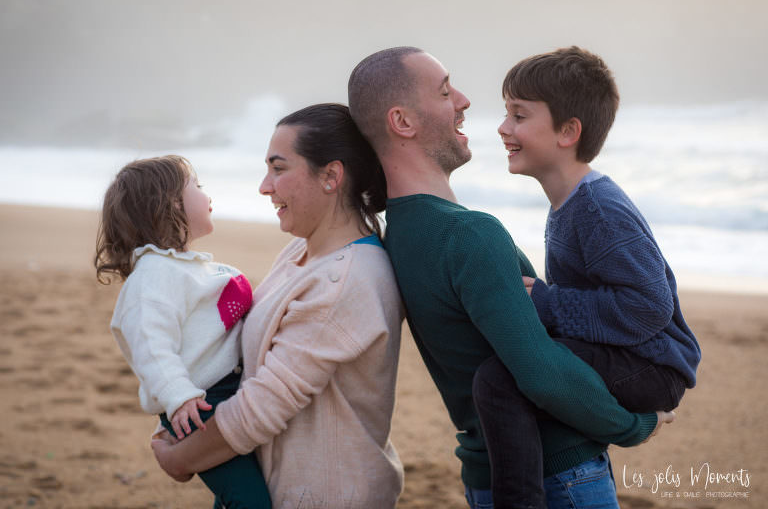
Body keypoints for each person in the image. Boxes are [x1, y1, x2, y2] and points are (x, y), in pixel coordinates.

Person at [348, 47, 674, 509]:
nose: (463, 100)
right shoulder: (467, 234)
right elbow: (543, 373)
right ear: (402, 121)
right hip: (558, 475)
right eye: (445, 91)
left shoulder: (396, 232)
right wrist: (634, 426)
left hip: (489, 475)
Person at [150, 103, 405, 508]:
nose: (264, 186)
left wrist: (179, 459)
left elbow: (260, 409)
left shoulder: (344, 280)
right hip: (276, 484)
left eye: (279, 168)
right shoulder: (301, 252)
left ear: (331, 176)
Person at [492, 45, 701, 505]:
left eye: (519, 115)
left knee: (500, 379)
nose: (503, 127)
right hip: (625, 354)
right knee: (515, 367)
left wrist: (547, 304)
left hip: (651, 366)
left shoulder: (598, 209)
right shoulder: (570, 203)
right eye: (506, 113)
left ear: (568, 131)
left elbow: (648, 307)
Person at [95, 155, 271, 508]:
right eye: (198, 187)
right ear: (172, 203)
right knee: (249, 499)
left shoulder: (183, 268)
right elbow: (151, 345)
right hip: (201, 404)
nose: (208, 195)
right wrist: (178, 397)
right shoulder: (153, 275)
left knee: (239, 494)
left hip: (225, 394)